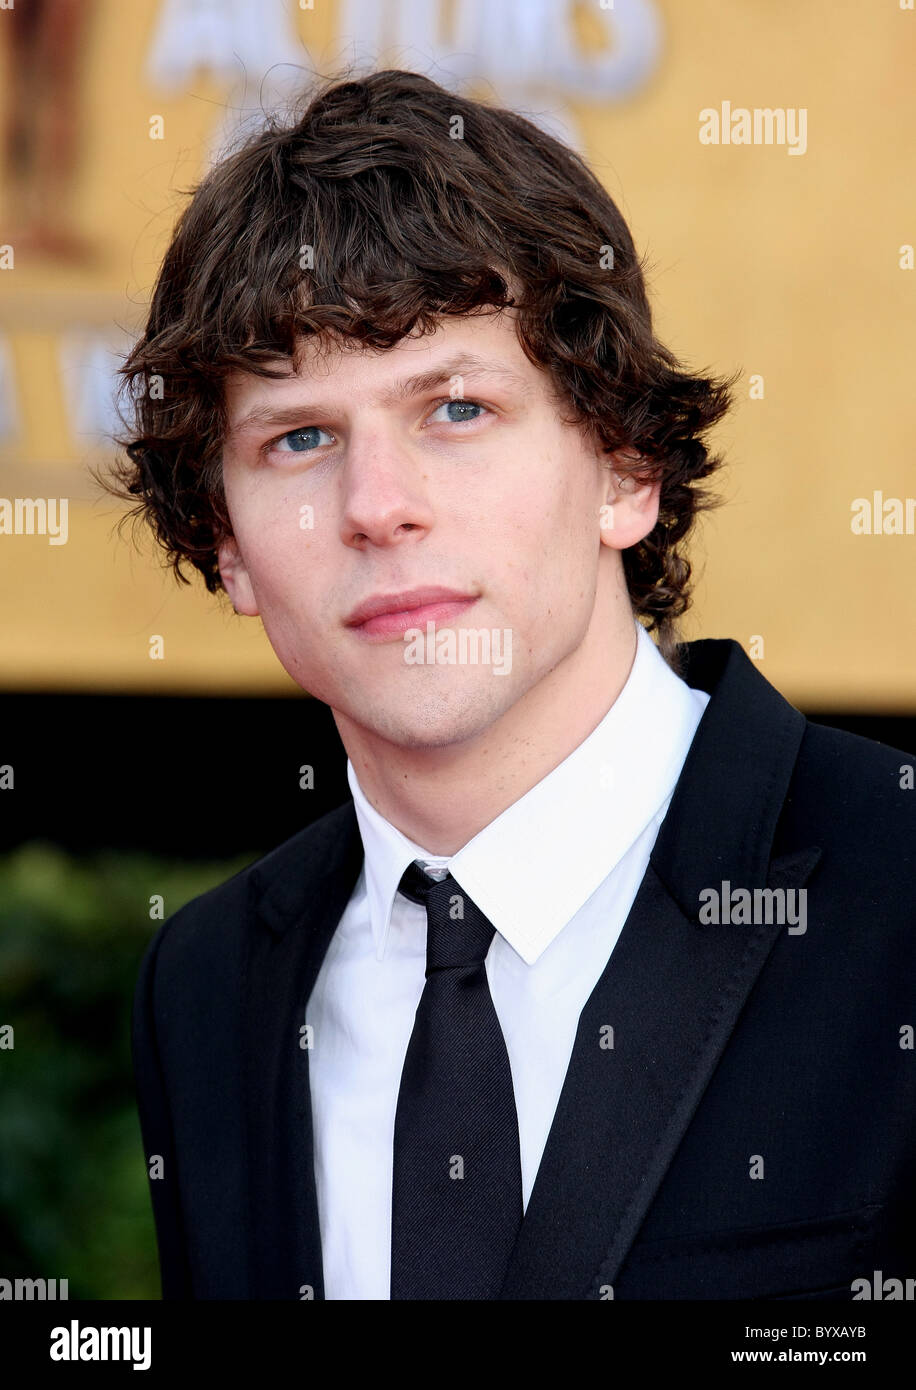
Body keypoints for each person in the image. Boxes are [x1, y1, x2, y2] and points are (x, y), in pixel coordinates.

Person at [110, 69, 915, 1301]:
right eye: (300, 438)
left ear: (625, 467)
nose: (378, 506)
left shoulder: (895, 882)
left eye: (458, 408)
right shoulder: (209, 984)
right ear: (228, 546)